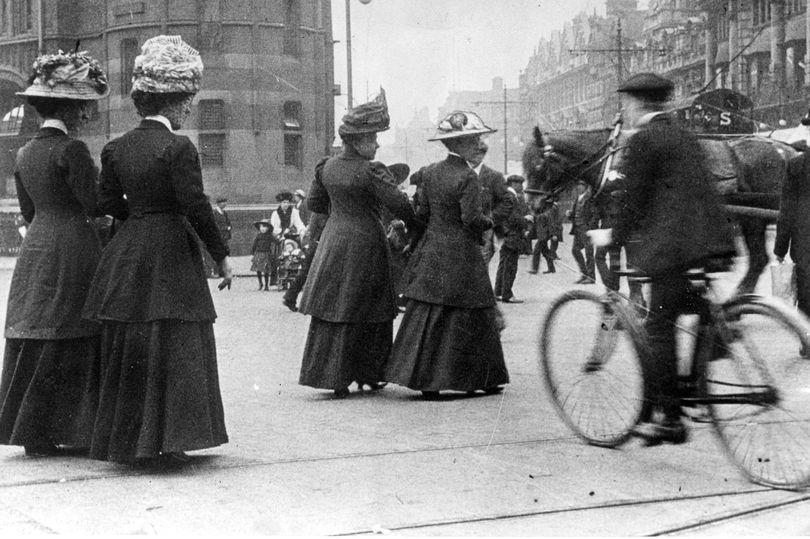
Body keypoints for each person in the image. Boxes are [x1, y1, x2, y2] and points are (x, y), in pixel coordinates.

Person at [83, 35, 231, 465]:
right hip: (170, 251)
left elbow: (107, 205)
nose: (188, 108)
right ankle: (171, 438)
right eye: (187, 100)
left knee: (132, 338)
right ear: (173, 102)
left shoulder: (116, 147)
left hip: (127, 251)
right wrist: (220, 253)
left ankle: (130, 439)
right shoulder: (179, 147)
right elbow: (195, 206)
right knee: (175, 336)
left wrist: (138, 210)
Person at [593, 72, 736, 445]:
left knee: (659, 328)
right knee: (696, 307)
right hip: (712, 242)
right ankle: (696, 380)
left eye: (626, 103)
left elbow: (633, 200)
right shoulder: (686, 136)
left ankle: (670, 418)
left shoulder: (643, 140)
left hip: (673, 249)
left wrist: (612, 237)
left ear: (636, 103)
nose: (625, 109)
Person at [0, 50, 108, 457]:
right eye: (82, 106)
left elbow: (27, 211)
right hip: (74, 244)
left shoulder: (25, 152)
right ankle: (75, 426)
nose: (84, 114)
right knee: (73, 326)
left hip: (37, 246)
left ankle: (33, 430)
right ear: (72, 108)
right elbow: (95, 204)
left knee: (38, 326)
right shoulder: (73, 151)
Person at [384, 111, 509, 399]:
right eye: (474, 139)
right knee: (472, 310)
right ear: (462, 144)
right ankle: (480, 378)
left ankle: (427, 381)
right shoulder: (467, 176)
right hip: (462, 252)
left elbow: (422, 213)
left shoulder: (429, 172)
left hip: (432, 249)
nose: (478, 144)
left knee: (430, 311)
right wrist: (490, 222)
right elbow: (472, 220)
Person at [298, 89, 414, 398]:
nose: (376, 144)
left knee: (334, 304)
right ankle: (369, 373)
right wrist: (416, 221)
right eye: (373, 139)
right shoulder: (371, 169)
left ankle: (332, 375)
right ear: (360, 141)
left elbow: (315, 204)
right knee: (370, 306)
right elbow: (400, 204)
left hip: (333, 241)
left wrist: (341, 213)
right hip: (366, 243)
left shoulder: (326, 166)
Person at [775, 144, 810, 356]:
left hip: (805, 241)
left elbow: (786, 209)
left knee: (806, 293)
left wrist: (780, 248)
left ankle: (807, 343)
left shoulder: (797, 165)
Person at [494, 176, 531, 303]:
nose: (522, 187)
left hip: (504, 235)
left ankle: (498, 292)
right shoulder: (511, 197)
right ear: (514, 184)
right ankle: (507, 295)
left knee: (503, 264)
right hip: (512, 236)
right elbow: (512, 218)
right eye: (520, 184)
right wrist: (525, 219)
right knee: (510, 266)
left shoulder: (505, 196)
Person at [282, 211, 327, 312]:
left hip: (317, 246)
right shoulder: (320, 214)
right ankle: (291, 298)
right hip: (316, 247)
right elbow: (310, 232)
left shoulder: (322, 212)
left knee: (304, 274)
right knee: (306, 274)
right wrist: (309, 245)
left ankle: (290, 297)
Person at [478, 157, 513, 266]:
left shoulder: (494, 176)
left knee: (480, 268)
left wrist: (491, 218)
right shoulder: (452, 173)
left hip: (484, 231)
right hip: (459, 234)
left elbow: (507, 201)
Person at [270, 190, 307, 285]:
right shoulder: (275, 213)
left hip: (291, 235)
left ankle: (296, 275)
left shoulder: (294, 212)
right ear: (280, 203)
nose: (286, 204)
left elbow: (298, 223)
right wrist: (282, 232)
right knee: (280, 253)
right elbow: (274, 227)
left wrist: (302, 230)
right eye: (284, 202)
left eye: (287, 202)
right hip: (280, 236)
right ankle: (280, 278)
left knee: (298, 249)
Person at [569, 181, 597, 284]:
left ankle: (591, 277)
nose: (578, 187)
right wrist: (570, 214)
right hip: (577, 229)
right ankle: (584, 274)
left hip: (586, 229)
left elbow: (595, 215)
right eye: (577, 185)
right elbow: (575, 213)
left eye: (581, 185)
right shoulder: (578, 198)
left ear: (585, 187)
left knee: (589, 253)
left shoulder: (590, 198)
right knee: (575, 250)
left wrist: (589, 227)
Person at [529, 195, 563, 274]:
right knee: (545, 251)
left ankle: (535, 269)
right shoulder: (545, 211)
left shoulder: (549, 211)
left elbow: (551, 223)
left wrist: (554, 234)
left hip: (545, 234)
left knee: (537, 250)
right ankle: (551, 268)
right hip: (543, 233)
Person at [250, 219, 280, 291]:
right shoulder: (258, 236)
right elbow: (254, 245)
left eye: (265, 227)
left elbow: (277, 242)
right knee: (258, 269)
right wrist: (252, 253)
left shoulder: (270, 236)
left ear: (268, 228)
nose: (263, 229)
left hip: (266, 254)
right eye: (261, 227)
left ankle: (266, 285)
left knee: (266, 270)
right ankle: (260, 283)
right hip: (258, 253)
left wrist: (279, 239)